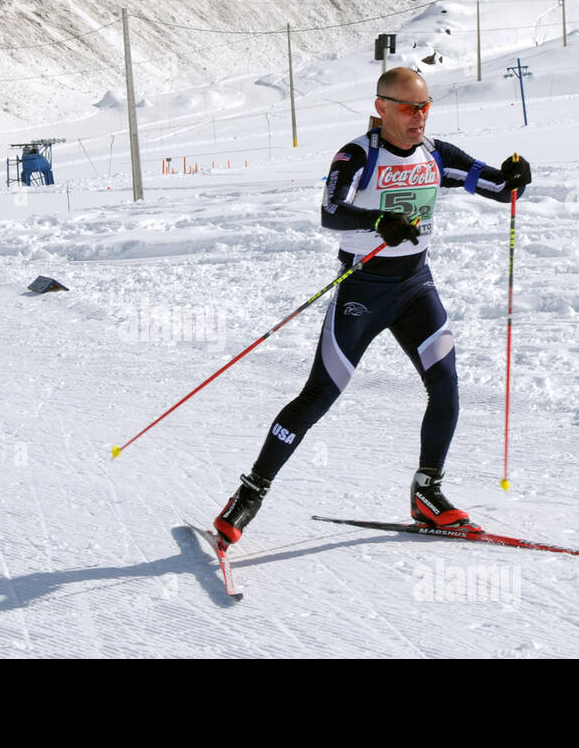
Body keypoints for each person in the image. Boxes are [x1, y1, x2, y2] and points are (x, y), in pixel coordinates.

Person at [213, 67, 532, 546]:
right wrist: (381, 220)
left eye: (425, 106)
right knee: (318, 397)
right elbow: (331, 211)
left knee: (445, 387)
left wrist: (515, 178)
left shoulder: (435, 154)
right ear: (382, 107)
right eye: (407, 107)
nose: (418, 116)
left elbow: (496, 187)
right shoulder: (357, 155)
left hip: (415, 288)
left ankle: (427, 492)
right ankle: (250, 492)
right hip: (362, 290)